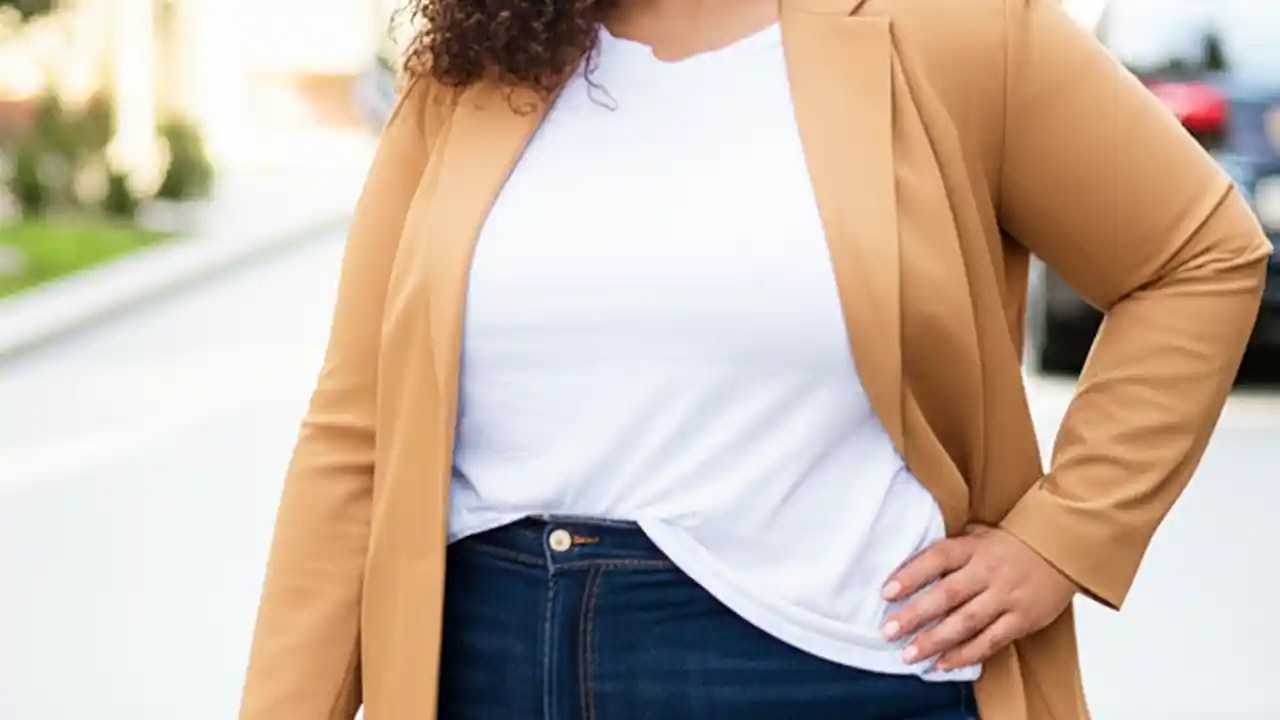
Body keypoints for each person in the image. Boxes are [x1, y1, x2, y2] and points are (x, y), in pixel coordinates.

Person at [238, 0, 1273, 718]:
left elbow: (1194, 255)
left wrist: (1061, 538)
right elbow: (355, 435)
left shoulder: (954, 28)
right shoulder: (474, 62)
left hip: (819, 677)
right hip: (481, 670)